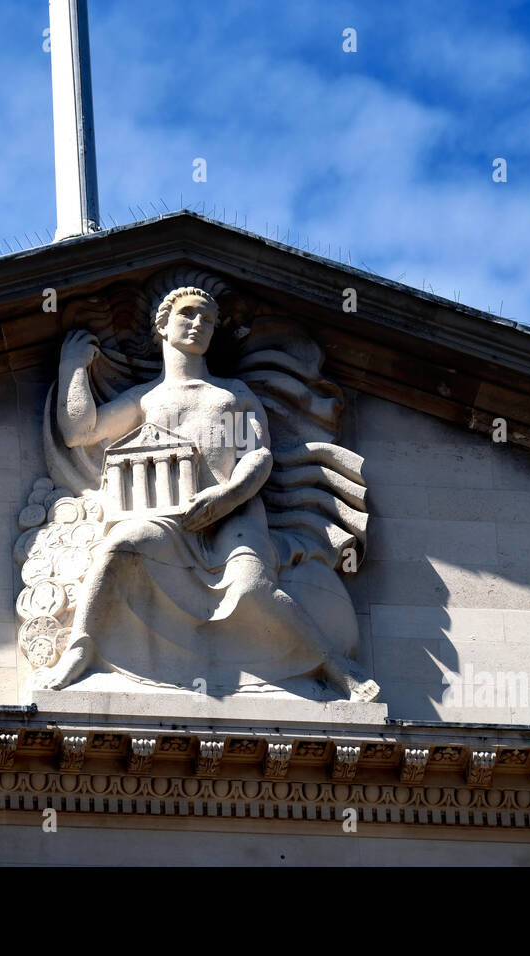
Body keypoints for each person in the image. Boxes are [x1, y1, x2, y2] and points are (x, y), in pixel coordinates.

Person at [34, 286, 379, 702]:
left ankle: (335, 666)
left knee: (251, 586)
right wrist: (74, 367)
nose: (198, 324)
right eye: (188, 315)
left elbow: (258, 456)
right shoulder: (147, 400)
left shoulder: (230, 395)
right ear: (162, 324)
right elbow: (81, 432)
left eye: (208, 320)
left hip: (233, 516)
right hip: (169, 518)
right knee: (120, 547)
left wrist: (229, 496)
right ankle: (82, 647)